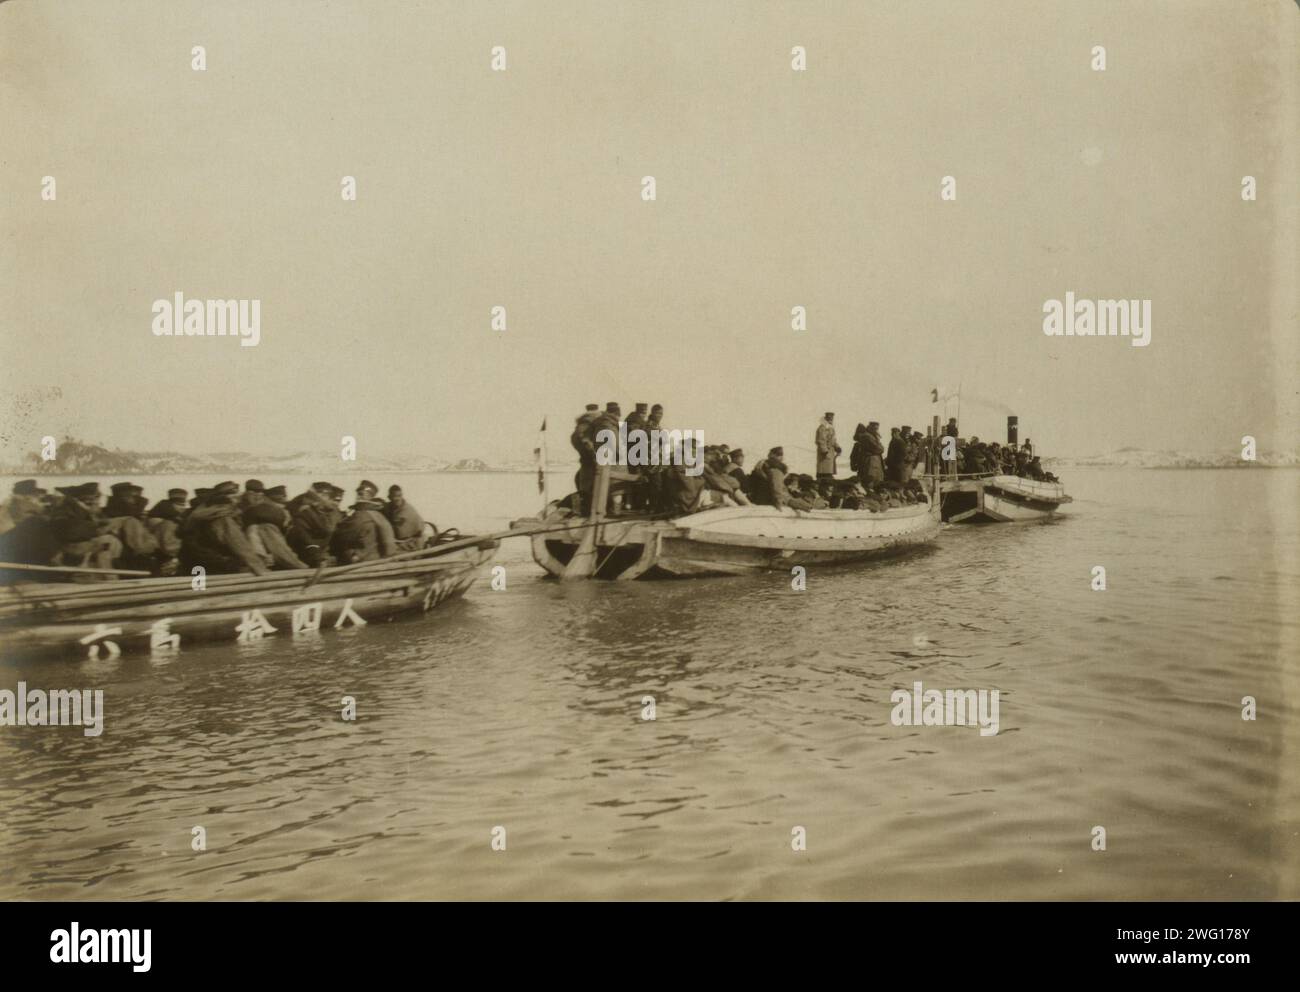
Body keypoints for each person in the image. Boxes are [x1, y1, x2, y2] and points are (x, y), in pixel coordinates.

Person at [180, 481, 269, 576]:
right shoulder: (220, 517)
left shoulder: (206, 512)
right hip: (211, 568)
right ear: (226, 500)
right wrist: (259, 568)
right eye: (235, 496)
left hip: (198, 564)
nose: (237, 499)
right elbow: (238, 544)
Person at [49, 482, 122, 574]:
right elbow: (69, 531)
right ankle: (107, 575)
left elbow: (102, 525)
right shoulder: (64, 510)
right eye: (96, 497)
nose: (97, 501)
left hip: (84, 545)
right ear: (85, 499)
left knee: (110, 542)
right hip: (68, 547)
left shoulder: (91, 511)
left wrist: (106, 528)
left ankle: (107, 573)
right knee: (108, 541)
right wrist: (97, 528)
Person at [104, 482, 159, 571]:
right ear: (124, 499)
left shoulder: (109, 515)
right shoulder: (129, 520)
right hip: (129, 562)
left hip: (118, 560)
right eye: (132, 497)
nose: (135, 501)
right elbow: (140, 547)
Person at [287, 482, 343, 567]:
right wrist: (318, 559)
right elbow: (306, 539)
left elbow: (334, 532)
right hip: (310, 558)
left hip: (325, 556)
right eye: (326, 495)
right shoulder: (304, 513)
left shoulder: (332, 512)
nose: (329, 499)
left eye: (329, 495)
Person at [331, 496, 398, 564]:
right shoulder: (377, 515)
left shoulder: (360, 516)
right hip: (375, 555)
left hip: (363, 558)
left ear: (360, 506)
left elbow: (343, 536)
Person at [384, 484, 426, 550]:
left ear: (402, 496)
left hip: (413, 542)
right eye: (394, 496)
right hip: (401, 541)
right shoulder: (390, 507)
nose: (397, 499)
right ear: (389, 497)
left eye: (399, 496)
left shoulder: (406, 509)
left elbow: (400, 533)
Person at [815, 412, 840, 489]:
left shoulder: (830, 428)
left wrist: (837, 447)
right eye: (829, 418)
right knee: (823, 470)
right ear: (826, 418)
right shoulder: (822, 428)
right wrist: (824, 450)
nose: (831, 419)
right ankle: (822, 485)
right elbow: (820, 440)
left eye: (832, 418)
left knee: (828, 470)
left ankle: (827, 483)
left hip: (830, 453)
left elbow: (833, 440)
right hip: (824, 454)